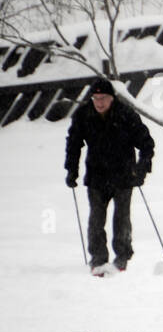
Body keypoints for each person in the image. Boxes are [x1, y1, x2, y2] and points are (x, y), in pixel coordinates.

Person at [64, 78, 154, 275]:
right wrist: (71, 169)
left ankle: (122, 257)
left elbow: (146, 143)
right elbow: (73, 143)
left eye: (103, 98)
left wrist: (142, 168)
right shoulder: (84, 115)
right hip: (97, 176)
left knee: (121, 218)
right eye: (95, 98)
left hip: (124, 175)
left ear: (112, 98)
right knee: (96, 219)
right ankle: (98, 259)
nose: (99, 102)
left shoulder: (125, 115)